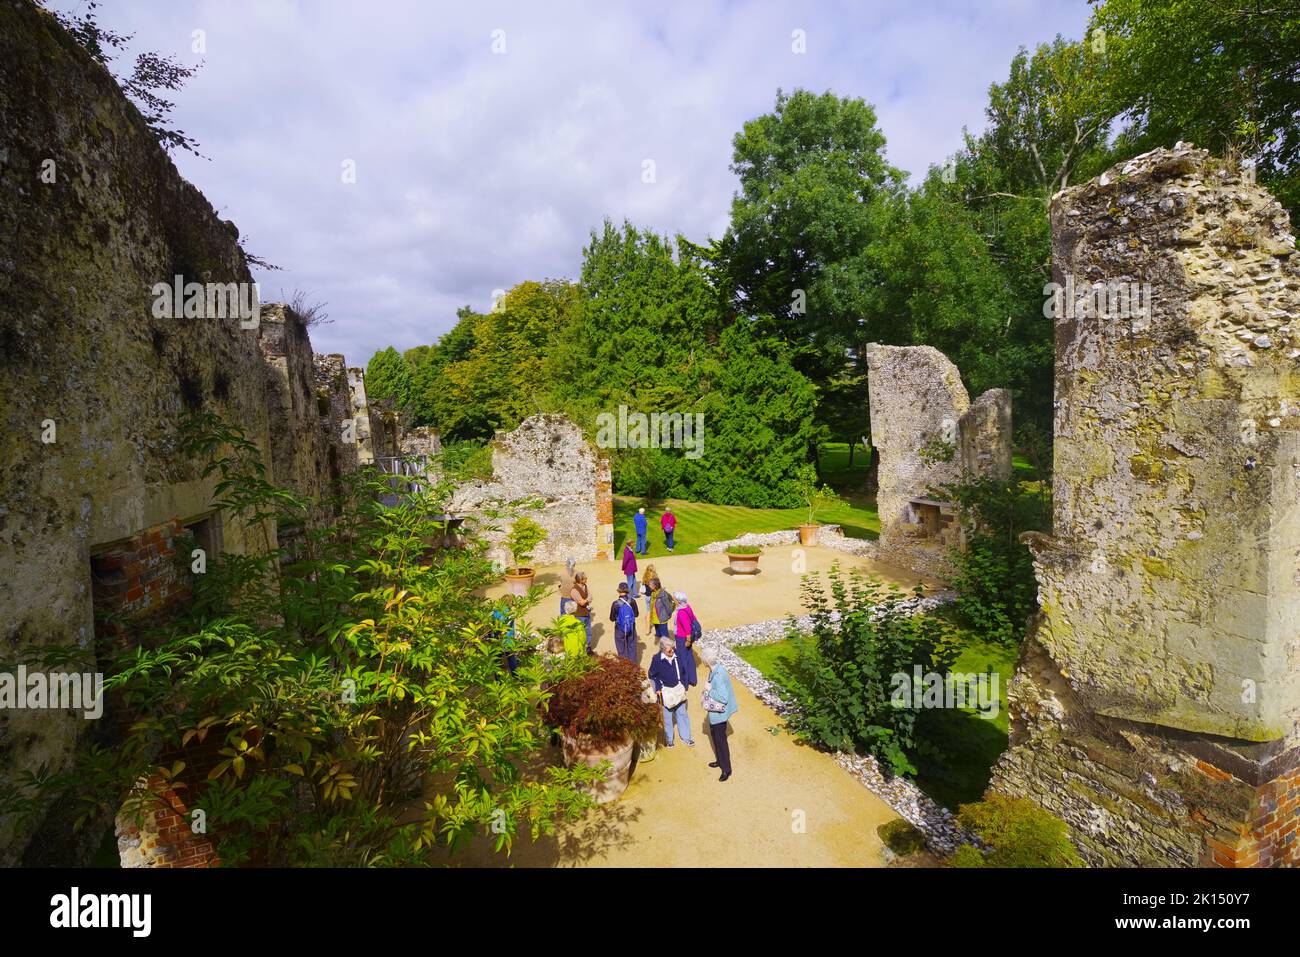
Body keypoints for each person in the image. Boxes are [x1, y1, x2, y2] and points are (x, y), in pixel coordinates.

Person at [698, 642, 737, 781]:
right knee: (716, 737)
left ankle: (726, 769)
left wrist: (709, 690)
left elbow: (722, 697)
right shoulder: (716, 669)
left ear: (706, 661)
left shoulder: (718, 675)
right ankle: (720, 761)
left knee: (720, 741)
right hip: (717, 715)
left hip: (719, 715)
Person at [648, 636, 694, 748]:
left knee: (682, 714)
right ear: (663, 649)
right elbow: (652, 675)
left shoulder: (676, 655)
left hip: (678, 689)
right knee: (667, 718)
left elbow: (683, 671)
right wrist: (657, 688)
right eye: (670, 649)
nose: (672, 650)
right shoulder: (657, 659)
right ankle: (669, 740)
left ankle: (686, 737)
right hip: (666, 692)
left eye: (673, 648)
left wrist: (683, 684)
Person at [671, 590, 699, 688]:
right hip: (688, 637)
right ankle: (692, 679)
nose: (673, 599)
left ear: (678, 600)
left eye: (674, 598)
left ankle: (684, 682)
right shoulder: (687, 607)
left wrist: (688, 640)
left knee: (682, 659)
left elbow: (687, 628)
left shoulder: (681, 612)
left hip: (682, 638)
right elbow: (694, 619)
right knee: (689, 657)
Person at [609, 582, 639, 664]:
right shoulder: (632, 601)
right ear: (627, 591)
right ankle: (633, 666)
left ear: (618, 591)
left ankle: (624, 666)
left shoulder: (615, 604)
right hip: (631, 626)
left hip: (619, 627)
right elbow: (636, 614)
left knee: (621, 647)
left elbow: (611, 618)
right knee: (632, 646)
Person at [490, 594, 519, 677]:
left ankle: (498, 680)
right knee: (511, 660)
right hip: (507, 640)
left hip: (497, 640)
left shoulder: (495, 612)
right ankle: (516, 678)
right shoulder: (509, 612)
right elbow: (507, 626)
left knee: (497, 662)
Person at [569, 571, 593, 653]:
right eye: (585, 578)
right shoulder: (574, 590)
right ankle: (581, 649)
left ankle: (588, 648)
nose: (587, 579)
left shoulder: (585, 586)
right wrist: (586, 600)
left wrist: (585, 600)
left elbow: (591, 597)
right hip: (579, 614)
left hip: (586, 612)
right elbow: (581, 602)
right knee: (580, 632)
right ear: (581, 580)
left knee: (588, 631)